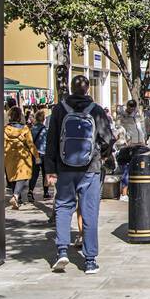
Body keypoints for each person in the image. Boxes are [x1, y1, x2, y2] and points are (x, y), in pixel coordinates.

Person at [44, 75, 115, 275]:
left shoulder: (59, 110)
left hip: (65, 167)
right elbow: (108, 139)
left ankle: (62, 251)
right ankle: (90, 260)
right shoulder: (96, 110)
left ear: (71, 89)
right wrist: (101, 154)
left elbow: (51, 141)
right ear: (87, 90)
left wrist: (50, 169)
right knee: (89, 212)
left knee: (63, 207)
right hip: (90, 168)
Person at [3, 107, 36, 211]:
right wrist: (37, 156)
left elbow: (3, 144)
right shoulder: (25, 129)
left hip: (9, 155)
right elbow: (30, 144)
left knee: (13, 176)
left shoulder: (5, 129)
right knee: (23, 176)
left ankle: (16, 197)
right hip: (23, 156)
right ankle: (16, 196)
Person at [115, 99, 146, 190]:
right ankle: (124, 188)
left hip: (139, 144)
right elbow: (119, 128)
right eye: (130, 107)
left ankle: (133, 188)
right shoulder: (122, 116)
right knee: (125, 165)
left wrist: (143, 140)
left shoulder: (138, 115)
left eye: (133, 107)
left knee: (136, 165)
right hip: (128, 145)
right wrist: (125, 140)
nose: (131, 109)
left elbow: (141, 129)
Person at [28, 108, 49, 201]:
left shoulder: (32, 129)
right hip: (44, 154)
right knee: (45, 173)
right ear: (43, 119)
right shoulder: (46, 130)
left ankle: (30, 191)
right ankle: (46, 192)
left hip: (35, 154)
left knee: (34, 174)